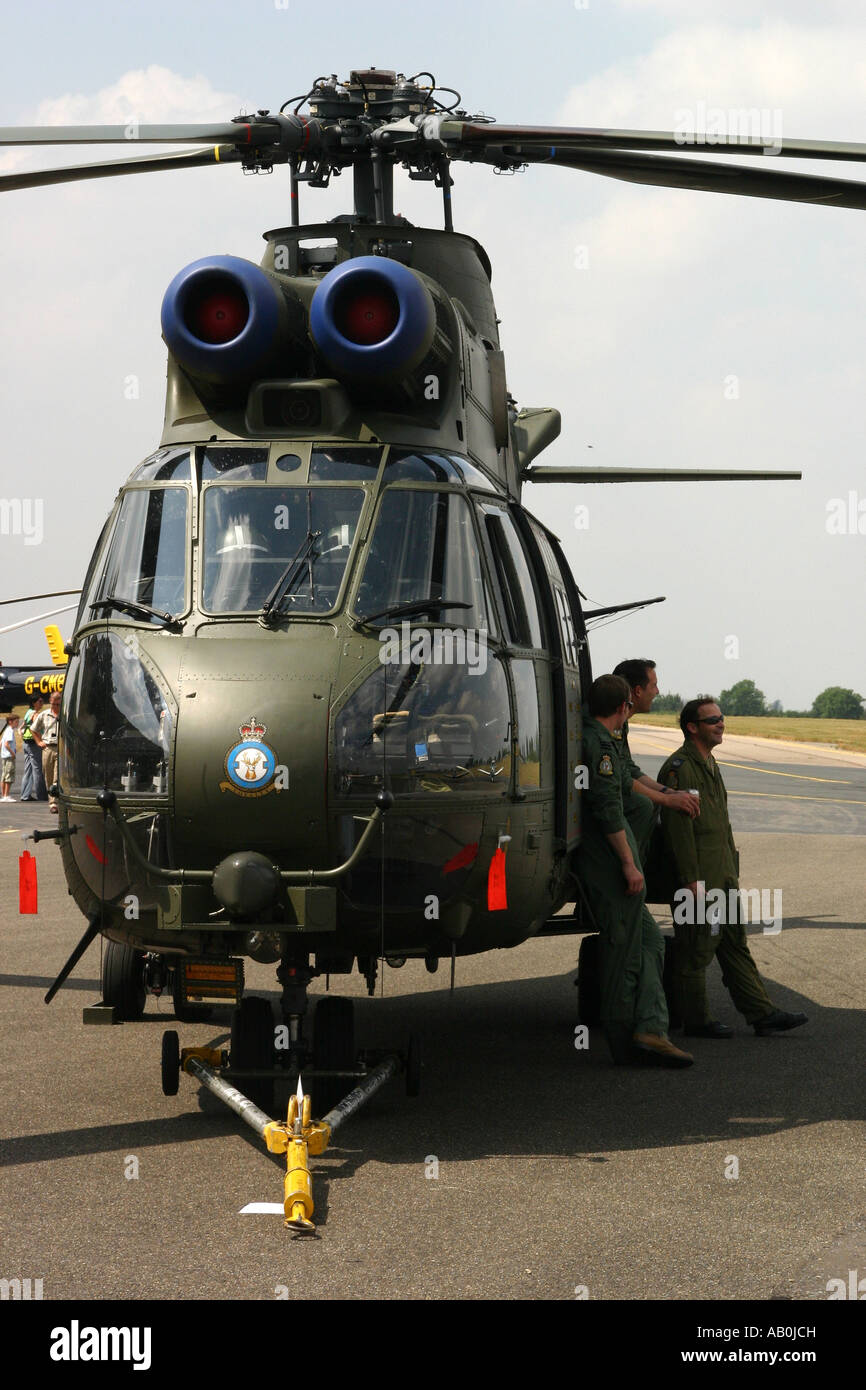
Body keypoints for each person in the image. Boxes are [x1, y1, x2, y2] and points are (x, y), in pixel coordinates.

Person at [657, 697, 808, 1038]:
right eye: (712, 720)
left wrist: (730, 871)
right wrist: (690, 879)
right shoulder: (680, 768)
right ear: (692, 727)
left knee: (735, 944)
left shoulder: (710, 765)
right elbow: (678, 833)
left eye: (721, 718)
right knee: (697, 949)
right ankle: (697, 1020)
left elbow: (720, 825)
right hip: (699, 880)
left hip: (721, 875)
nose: (721, 724)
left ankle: (762, 1013)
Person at [576, 674, 693, 1068]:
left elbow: (626, 784)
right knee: (623, 952)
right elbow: (608, 810)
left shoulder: (605, 740)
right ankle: (623, 1041)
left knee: (652, 943)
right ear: (623, 707)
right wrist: (629, 863)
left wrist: (666, 797)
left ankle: (651, 1030)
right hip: (609, 864)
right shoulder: (600, 747)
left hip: (615, 861)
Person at [612, 658, 700, 864]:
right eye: (654, 685)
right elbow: (622, 777)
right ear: (638, 691)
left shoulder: (621, 723)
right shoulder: (613, 723)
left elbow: (629, 769)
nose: (658, 691)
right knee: (644, 804)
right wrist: (666, 799)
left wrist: (668, 792)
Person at [31, 690, 62, 814]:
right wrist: (39, 742)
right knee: (48, 776)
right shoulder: (44, 715)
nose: (55, 707)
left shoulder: (65, 714)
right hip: (48, 748)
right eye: (53, 704)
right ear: (50, 702)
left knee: (57, 777)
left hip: (60, 748)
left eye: (57, 704)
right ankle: (52, 800)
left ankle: (55, 803)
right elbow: (33, 729)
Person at [20, 694, 47, 801]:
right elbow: (36, 729)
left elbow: (23, 726)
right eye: (40, 701)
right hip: (34, 743)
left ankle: (25, 794)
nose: (42, 703)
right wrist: (40, 740)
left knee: (28, 769)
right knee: (38, 770)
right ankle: (42, 795)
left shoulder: (28, 712)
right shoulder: (35, 714)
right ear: (34, 703)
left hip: (26, 743)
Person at [1, 715, 20, 801]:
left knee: (4, 776)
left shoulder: (6, 730)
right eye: (16, 722)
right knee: (9, 776)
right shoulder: (10, 731)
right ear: (10, 722)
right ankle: (6, 795)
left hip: (4, 756)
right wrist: (13, 754)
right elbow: (6, 744)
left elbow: (1, 743)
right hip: (9, 756)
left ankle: (4, 795)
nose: (17, 723)